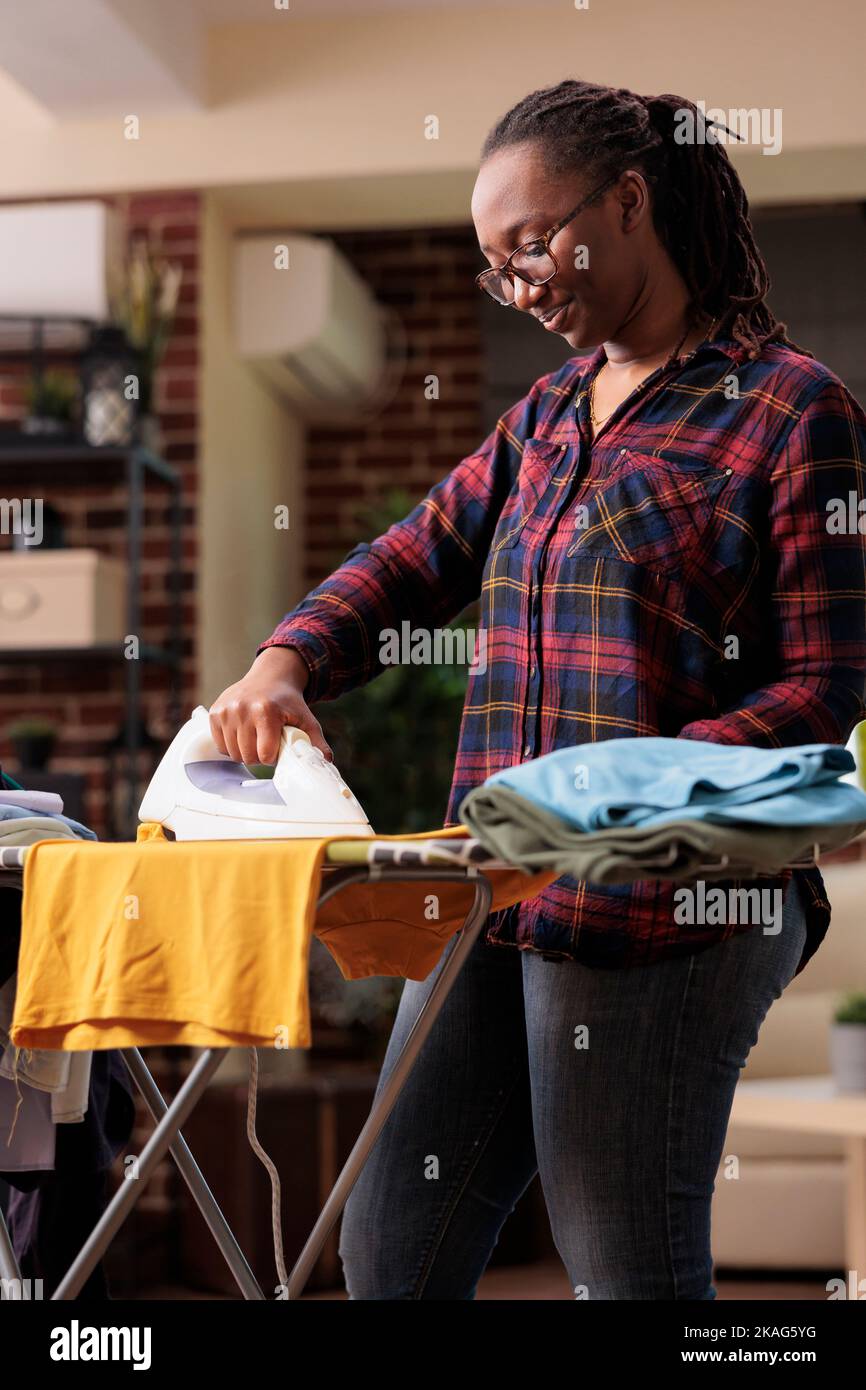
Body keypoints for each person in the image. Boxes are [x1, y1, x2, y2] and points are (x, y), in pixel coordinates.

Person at [209, 80, 866, 1299]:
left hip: (664, 907)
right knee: (388, 1255)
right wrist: (284, 658)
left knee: (624, 1266)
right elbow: (412, 554)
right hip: (489, 896)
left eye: (529, 247)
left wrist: (611, 792)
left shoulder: (789, 410)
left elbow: (827, 689)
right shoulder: (547, 416)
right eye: (494, 268)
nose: (520, 286)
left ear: (627, 200)